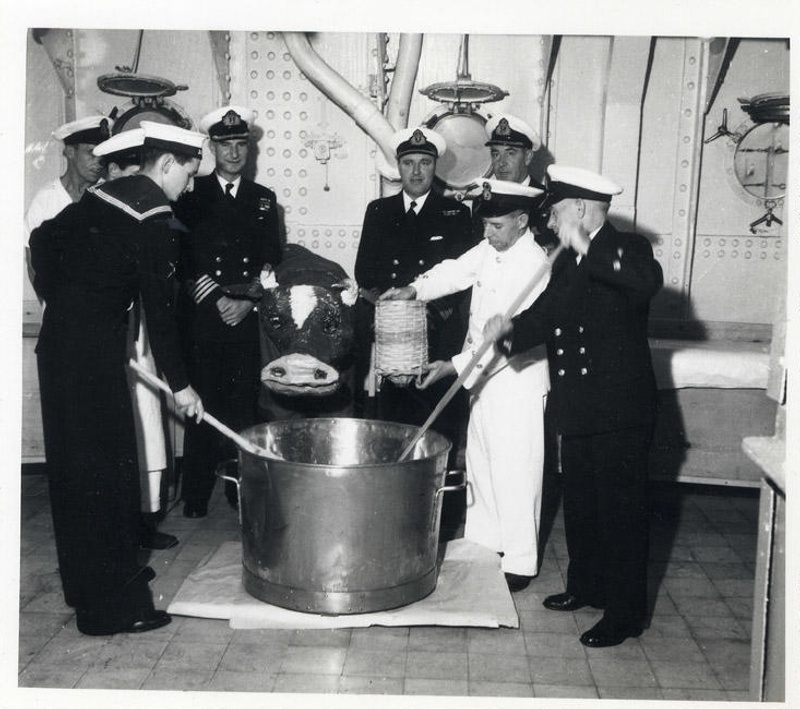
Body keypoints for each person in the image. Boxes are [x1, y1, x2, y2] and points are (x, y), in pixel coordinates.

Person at [30, 121, 206, 636]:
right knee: (105, 480)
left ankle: (87, 586)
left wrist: (70, 303)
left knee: (75, 478)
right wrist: (182, 385)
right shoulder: (153, 213)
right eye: (189, 174)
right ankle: (110, 609)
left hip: (60, 348)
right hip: (90, 358)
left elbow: (42, 242)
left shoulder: (107, 194)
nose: (189, 187)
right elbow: (162, 311)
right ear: (167, 165)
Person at [484, 165, 663, 646]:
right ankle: (587, 586)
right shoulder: (566, 258)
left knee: (621, 512)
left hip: (621, 409)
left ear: (581, 209)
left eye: (559, 209)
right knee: (583, 504)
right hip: (579, 404)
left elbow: (645, 284)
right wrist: (511, 330)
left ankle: (625, 614)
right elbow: (551, 311)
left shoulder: (628, 248)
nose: (553, 218)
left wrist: (584, 246)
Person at [381, 180, 550, 592]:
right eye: (486, 225)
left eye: (495, 225)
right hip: (483, 379)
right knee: (483, 462)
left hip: (516, 379)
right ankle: (485, 543)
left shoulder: (533, 264)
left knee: (516, 469)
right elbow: (455, 270)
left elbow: (501, 338)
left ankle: (520, 561)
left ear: (522, 221)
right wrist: (414, 288)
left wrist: (451, 367)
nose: (487, 234)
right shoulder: (493, 248)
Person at [174, 106, 282, 519]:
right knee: (200, 402)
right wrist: (214, 297)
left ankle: (242, 491)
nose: (234, 153)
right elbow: (181, 254)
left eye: (241, 145)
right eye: (225, 145)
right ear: (212, 147)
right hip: (203, 314)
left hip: (243, 314)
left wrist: (249, 300)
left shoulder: (262, 199)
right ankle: (196, 493)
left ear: (248, 150)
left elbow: (271, 257)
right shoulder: (190, 193)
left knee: (242, 404)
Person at [354, 127, 473, 438]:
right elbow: (364, 273)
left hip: (438, 334)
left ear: (436, 166)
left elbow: (464, 276)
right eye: (409, 163)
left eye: (425, 162)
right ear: (398, 167)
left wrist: (429, 317)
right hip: (394, 341)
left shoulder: (457, 214)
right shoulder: (379, 212)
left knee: (439, 426)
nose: (417, 171)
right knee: (393, 428)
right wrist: (394, 319)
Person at [94, 129, 178, 551]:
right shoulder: (120, 215)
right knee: (120, 444)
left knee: (149, 434)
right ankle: (125, 534)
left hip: (135, 339)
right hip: (106, 344)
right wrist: (182, 386)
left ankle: (144, 520)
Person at [24, 115, 111, 289]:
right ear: (70, 152)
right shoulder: (45, 200)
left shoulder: (110, 197)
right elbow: (34, 265)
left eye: (102, 156)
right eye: (91, 153)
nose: (99, 162)